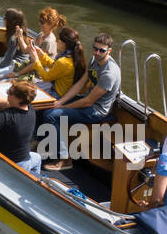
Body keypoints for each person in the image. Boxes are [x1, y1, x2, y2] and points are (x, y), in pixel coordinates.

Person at [39, 32, 120, 171]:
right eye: (95, 48)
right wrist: (61, 101)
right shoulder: (94, 60)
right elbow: (81, 84)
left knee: (51, 115)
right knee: (48, 105)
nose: (97, 52)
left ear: (109, 51)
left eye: (102, 50)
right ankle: (39, 140)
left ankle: (65, 159)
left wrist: (64, 106)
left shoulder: (109, 73)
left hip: (97, 110)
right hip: (86, 102)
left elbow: (88, 101)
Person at [0, 80, 41, 175]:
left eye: (10, 92)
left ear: (19, 99)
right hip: (23, 161)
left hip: (3, 160)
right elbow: (6, 103)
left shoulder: (8, 117)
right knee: (37, 158)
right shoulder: (29, 108)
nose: (7, 93)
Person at [20, 25, 85, 99]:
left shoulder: (64, 62)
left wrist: (36, 60)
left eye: (58, 39)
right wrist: (42, 55)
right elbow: (55, 66)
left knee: (24, 95)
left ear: (64, 43)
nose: (56, 41)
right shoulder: (71, 55)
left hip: (55, 94)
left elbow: (46, 77)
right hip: (54, 87)